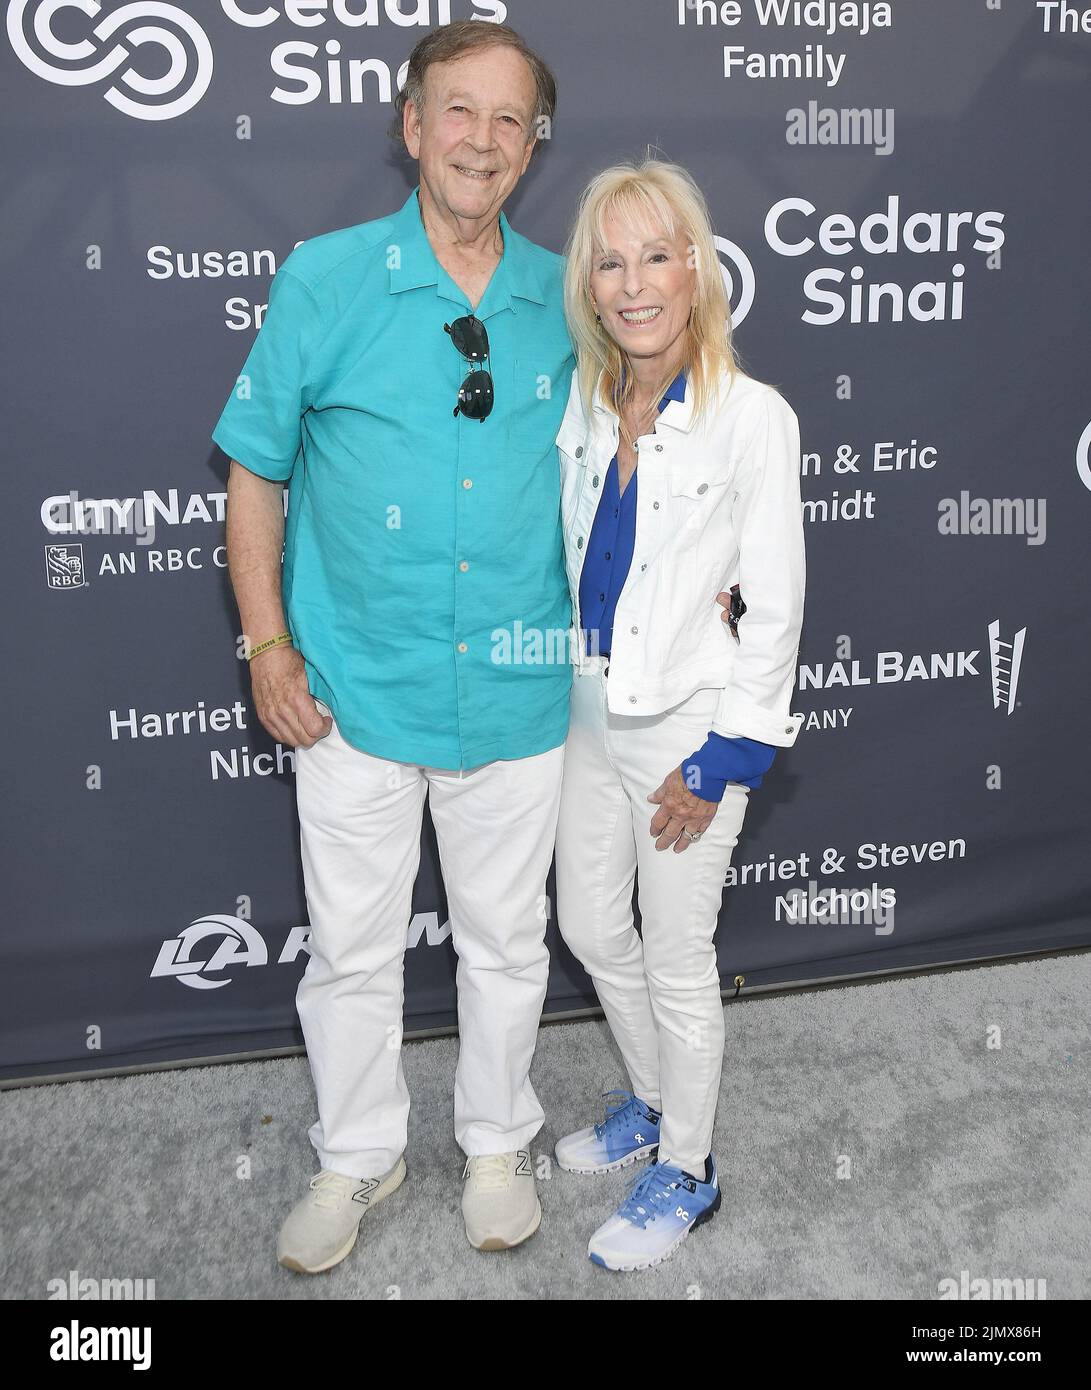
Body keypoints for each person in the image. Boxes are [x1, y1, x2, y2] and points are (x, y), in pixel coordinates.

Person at [211, 21, 576, 1271]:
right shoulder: (323, 276)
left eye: (507, 120)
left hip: (519, 693)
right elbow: (255, 470)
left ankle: (494, 1140)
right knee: (355, 950)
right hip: (351, 692)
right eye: (455, 112)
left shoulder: (568, 297)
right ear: (410, 127)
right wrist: (267, 643)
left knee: (505, 945)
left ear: (533, 148)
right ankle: (356, 1156)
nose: (480, 140)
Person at [551, 158, 806, 1272]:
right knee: (588, 925)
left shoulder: (752, 417)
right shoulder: (586, 392)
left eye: (656, 254)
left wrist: (725, 758)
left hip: (688, 733)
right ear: (587, 281)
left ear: (696, 269)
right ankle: (653, 1100)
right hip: (587, 708)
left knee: (674, 958)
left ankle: (690, 1170)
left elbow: (777, 599)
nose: (633, 282)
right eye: (610, 260)